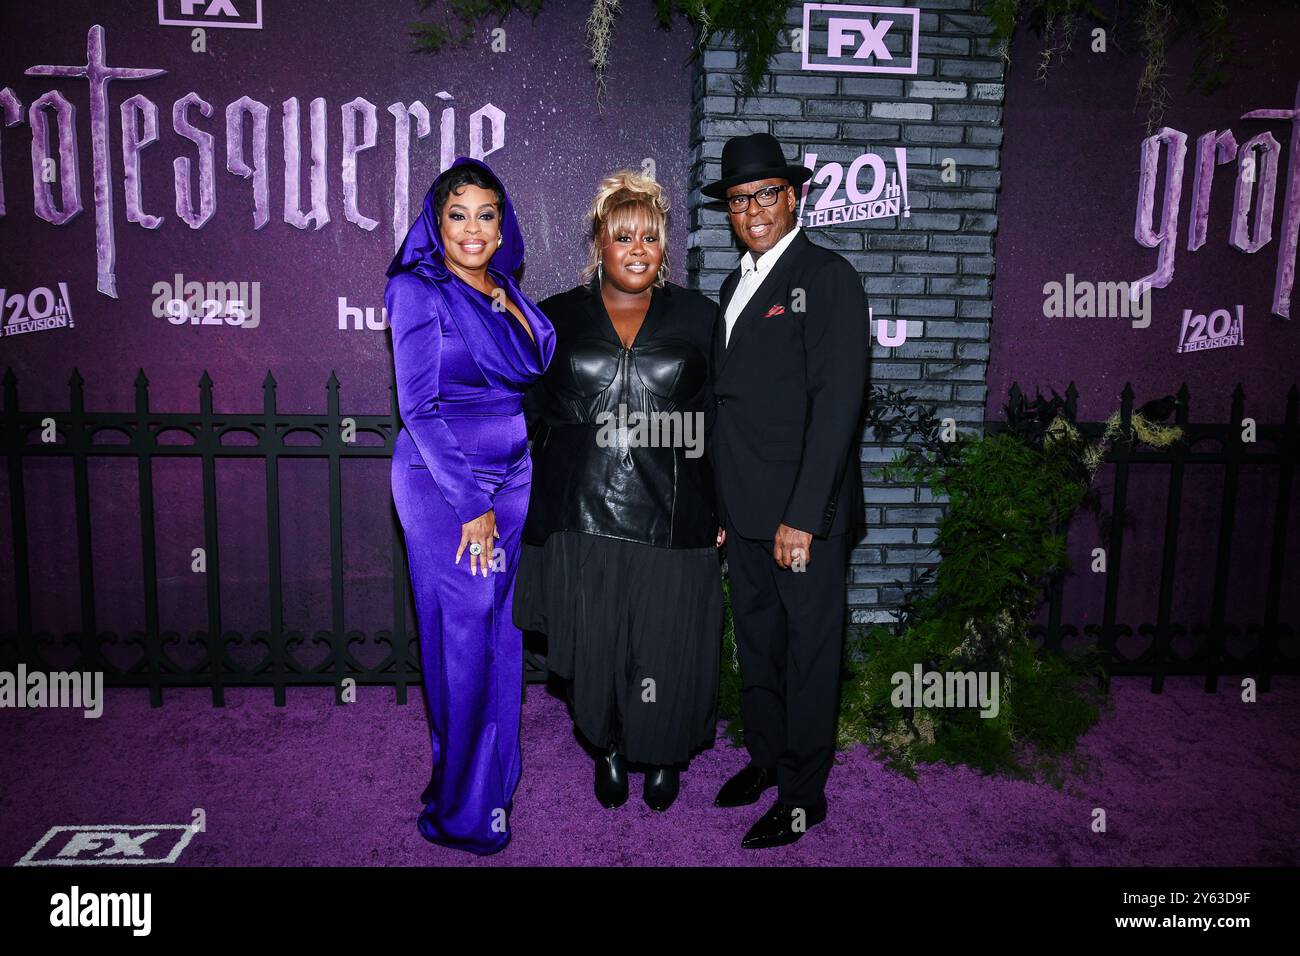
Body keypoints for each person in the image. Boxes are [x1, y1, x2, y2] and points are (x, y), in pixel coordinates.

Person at [514, 170, 723, 812]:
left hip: (674, 509)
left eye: (651, 238)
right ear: (598, 243)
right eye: (622, 235)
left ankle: (661, 754)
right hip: (586, 510)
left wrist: (725, 505)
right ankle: (606, 743)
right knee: (599, 640)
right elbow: (530, 414)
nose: (637, 249)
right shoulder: (555, 316)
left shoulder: (700, 315)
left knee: (667, 642)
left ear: (665, 249)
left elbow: (722, 417)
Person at [702, 133, 870, 849]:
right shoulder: (732, 283)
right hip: (741, 512)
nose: (753, 209)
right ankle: (767, 759)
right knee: (761, 645)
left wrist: (803, 516)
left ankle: (805, 795)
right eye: (740, 199)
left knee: (807, 654)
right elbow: (726, 405)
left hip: (804, 519)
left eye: (767, 193)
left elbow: (838, 406)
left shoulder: (827, 277)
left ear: (794, 196)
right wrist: (718, 504)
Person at [387, 157, 555, 855]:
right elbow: (418, 410)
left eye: (486, 214)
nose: (472, 229)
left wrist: (504, 296)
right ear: (436, 222)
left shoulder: (502, 290)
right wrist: (469, 504)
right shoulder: (415, 291)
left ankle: (485, 783)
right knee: (463, 640)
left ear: (501, 222)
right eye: (457, 215)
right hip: (446, 485)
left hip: (513, 480)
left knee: (498, 637)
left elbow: (536, 358)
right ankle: (464, 807)